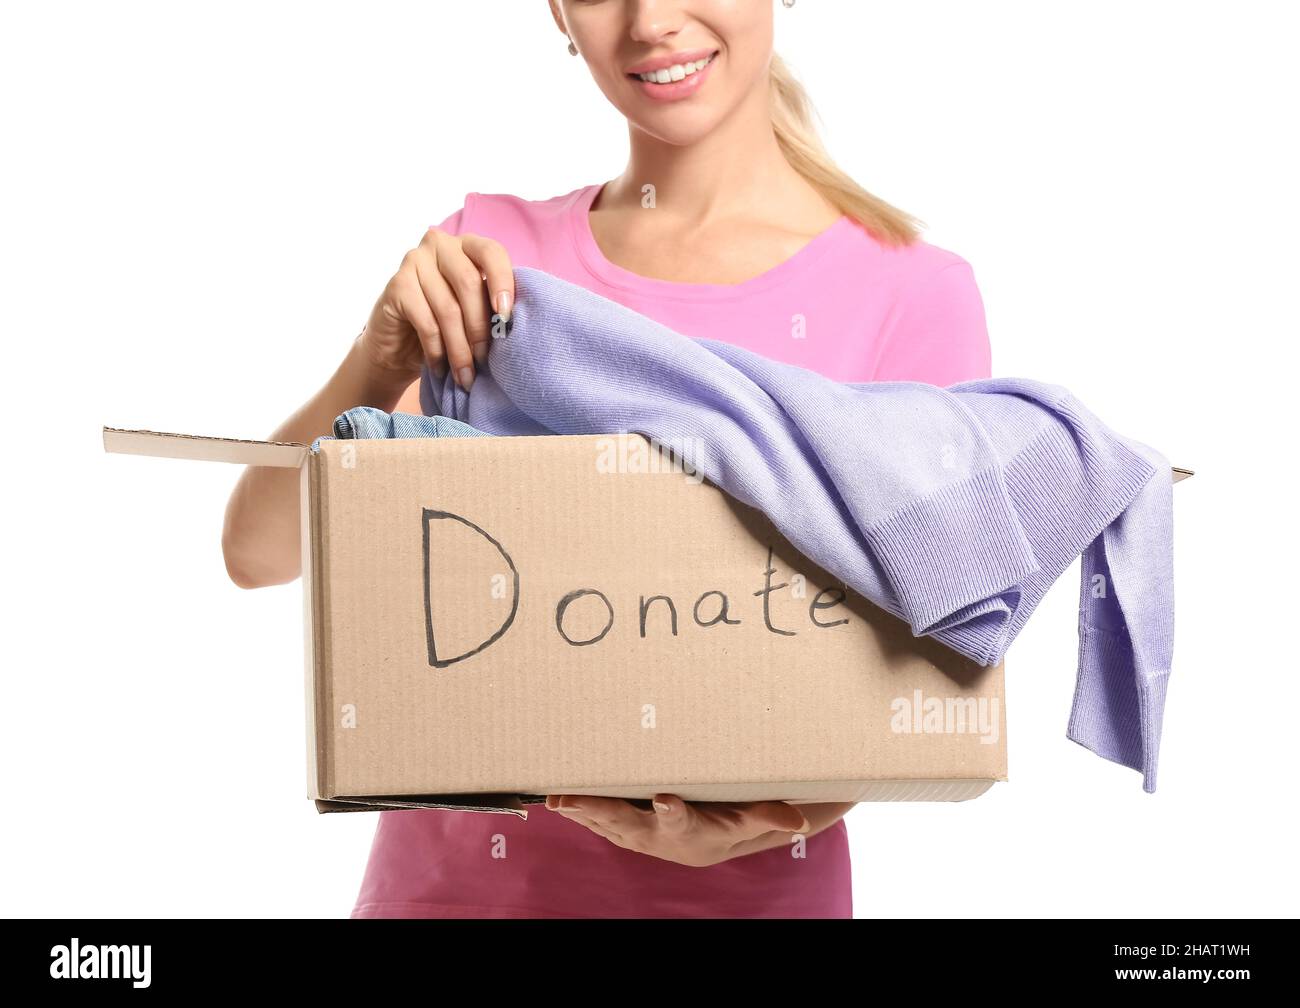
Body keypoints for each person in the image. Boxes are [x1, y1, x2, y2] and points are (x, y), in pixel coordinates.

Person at [221, 0, 992, 919]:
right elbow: (260, 553)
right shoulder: (490, 258)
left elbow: (933, 659)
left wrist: (780, 816)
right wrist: (376, 357)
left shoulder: (908, 293)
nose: (650, 20)